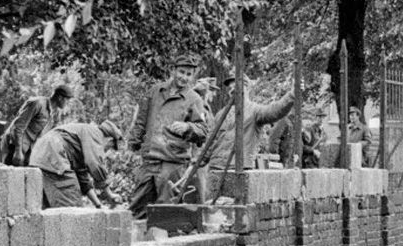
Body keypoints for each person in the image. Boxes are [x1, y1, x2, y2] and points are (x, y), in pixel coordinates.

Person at [127, 54, 209, 218]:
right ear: (173, 70)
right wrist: (133, 145)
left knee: (167, 213)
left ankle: (164, 234)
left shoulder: (194, 99)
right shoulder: (155, 92)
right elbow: (141, 121)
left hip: (172, 163)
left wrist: (188, 127)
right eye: (181, 72)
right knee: (137, 208)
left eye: (189, 74)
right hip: (149, 161)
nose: (184, 77)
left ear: (193, 76)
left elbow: (203, 131)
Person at [207, 75, 294, 194]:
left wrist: (291, 95)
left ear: (246, 88)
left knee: (236, 203)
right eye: (230, 88)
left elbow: (275, 111)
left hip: (239, 169)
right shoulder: (221, 114)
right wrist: (196, 164)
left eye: (236, 86)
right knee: (211, 203)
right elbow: (210, 142)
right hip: (215, 168)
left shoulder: (255, 111)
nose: (232, 90)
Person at [30, 120, 123, 208]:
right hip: (54, 155)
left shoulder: (81, 140)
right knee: (72, 206)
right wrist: (109, 193)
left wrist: (98, 205)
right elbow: (95, 164)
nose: (106, 150)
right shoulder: (95, 133)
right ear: (110, 140)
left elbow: (83, 180)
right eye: (110, 147)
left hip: (41, 157)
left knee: (50, 209)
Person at [0, 84, 75, 167]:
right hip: (15, 144)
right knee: (11, 170)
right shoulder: (37, 103)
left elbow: (51, 135)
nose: (67, 103)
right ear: (60, 98)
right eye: (67, 100)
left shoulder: (56, 113)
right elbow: (18, 127)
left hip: (31, 148)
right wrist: (17, 151)